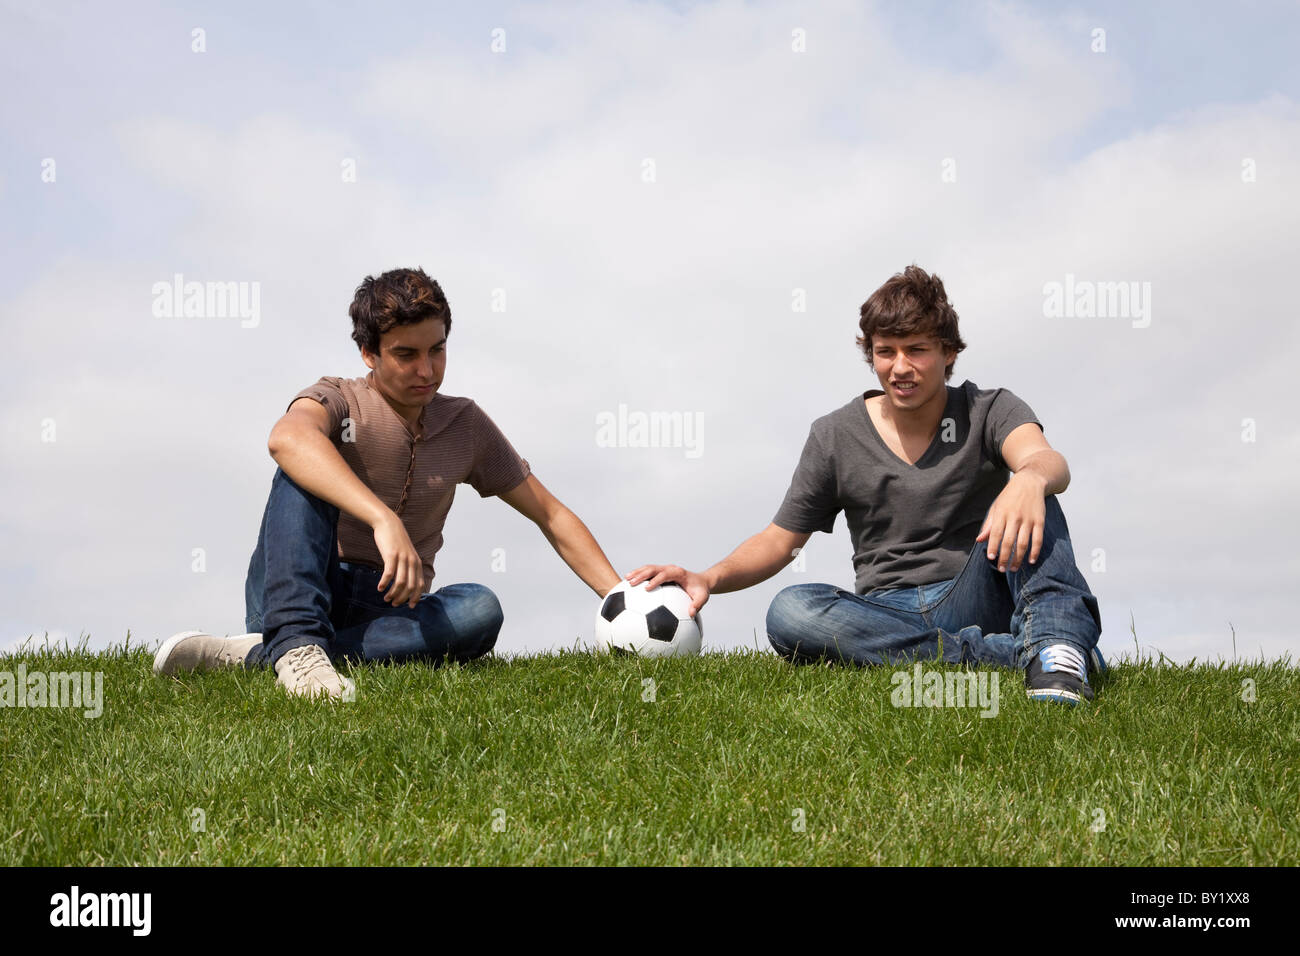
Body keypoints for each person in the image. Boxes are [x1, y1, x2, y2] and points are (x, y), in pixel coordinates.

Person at [627, 265, 1104, 705]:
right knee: (791, 611)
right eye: (885, 352)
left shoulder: (990, 408)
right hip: (882, 614)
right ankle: (1026, 653)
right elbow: (778, 541)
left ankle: (1056, 647)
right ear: (870, 354)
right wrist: (708, 577)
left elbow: (1046, 459)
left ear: (949, 353)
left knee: (1035, 492)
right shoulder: (834, 434)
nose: (900, 367)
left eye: (917, 349)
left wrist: (1030, 478)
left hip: (975, 590)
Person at [155, 267, 622, 699]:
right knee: (303, 465)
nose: (427, 370)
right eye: (406, 354)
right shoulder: (339, 397)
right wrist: (382, 518)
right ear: (368, 353)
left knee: (480, 609)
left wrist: (624, 603)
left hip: (391, 610)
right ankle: (295, 641)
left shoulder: (466, 424)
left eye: (436, 350)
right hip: (306, 585)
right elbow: (286, 438)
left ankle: (264, 655)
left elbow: (551, 513)